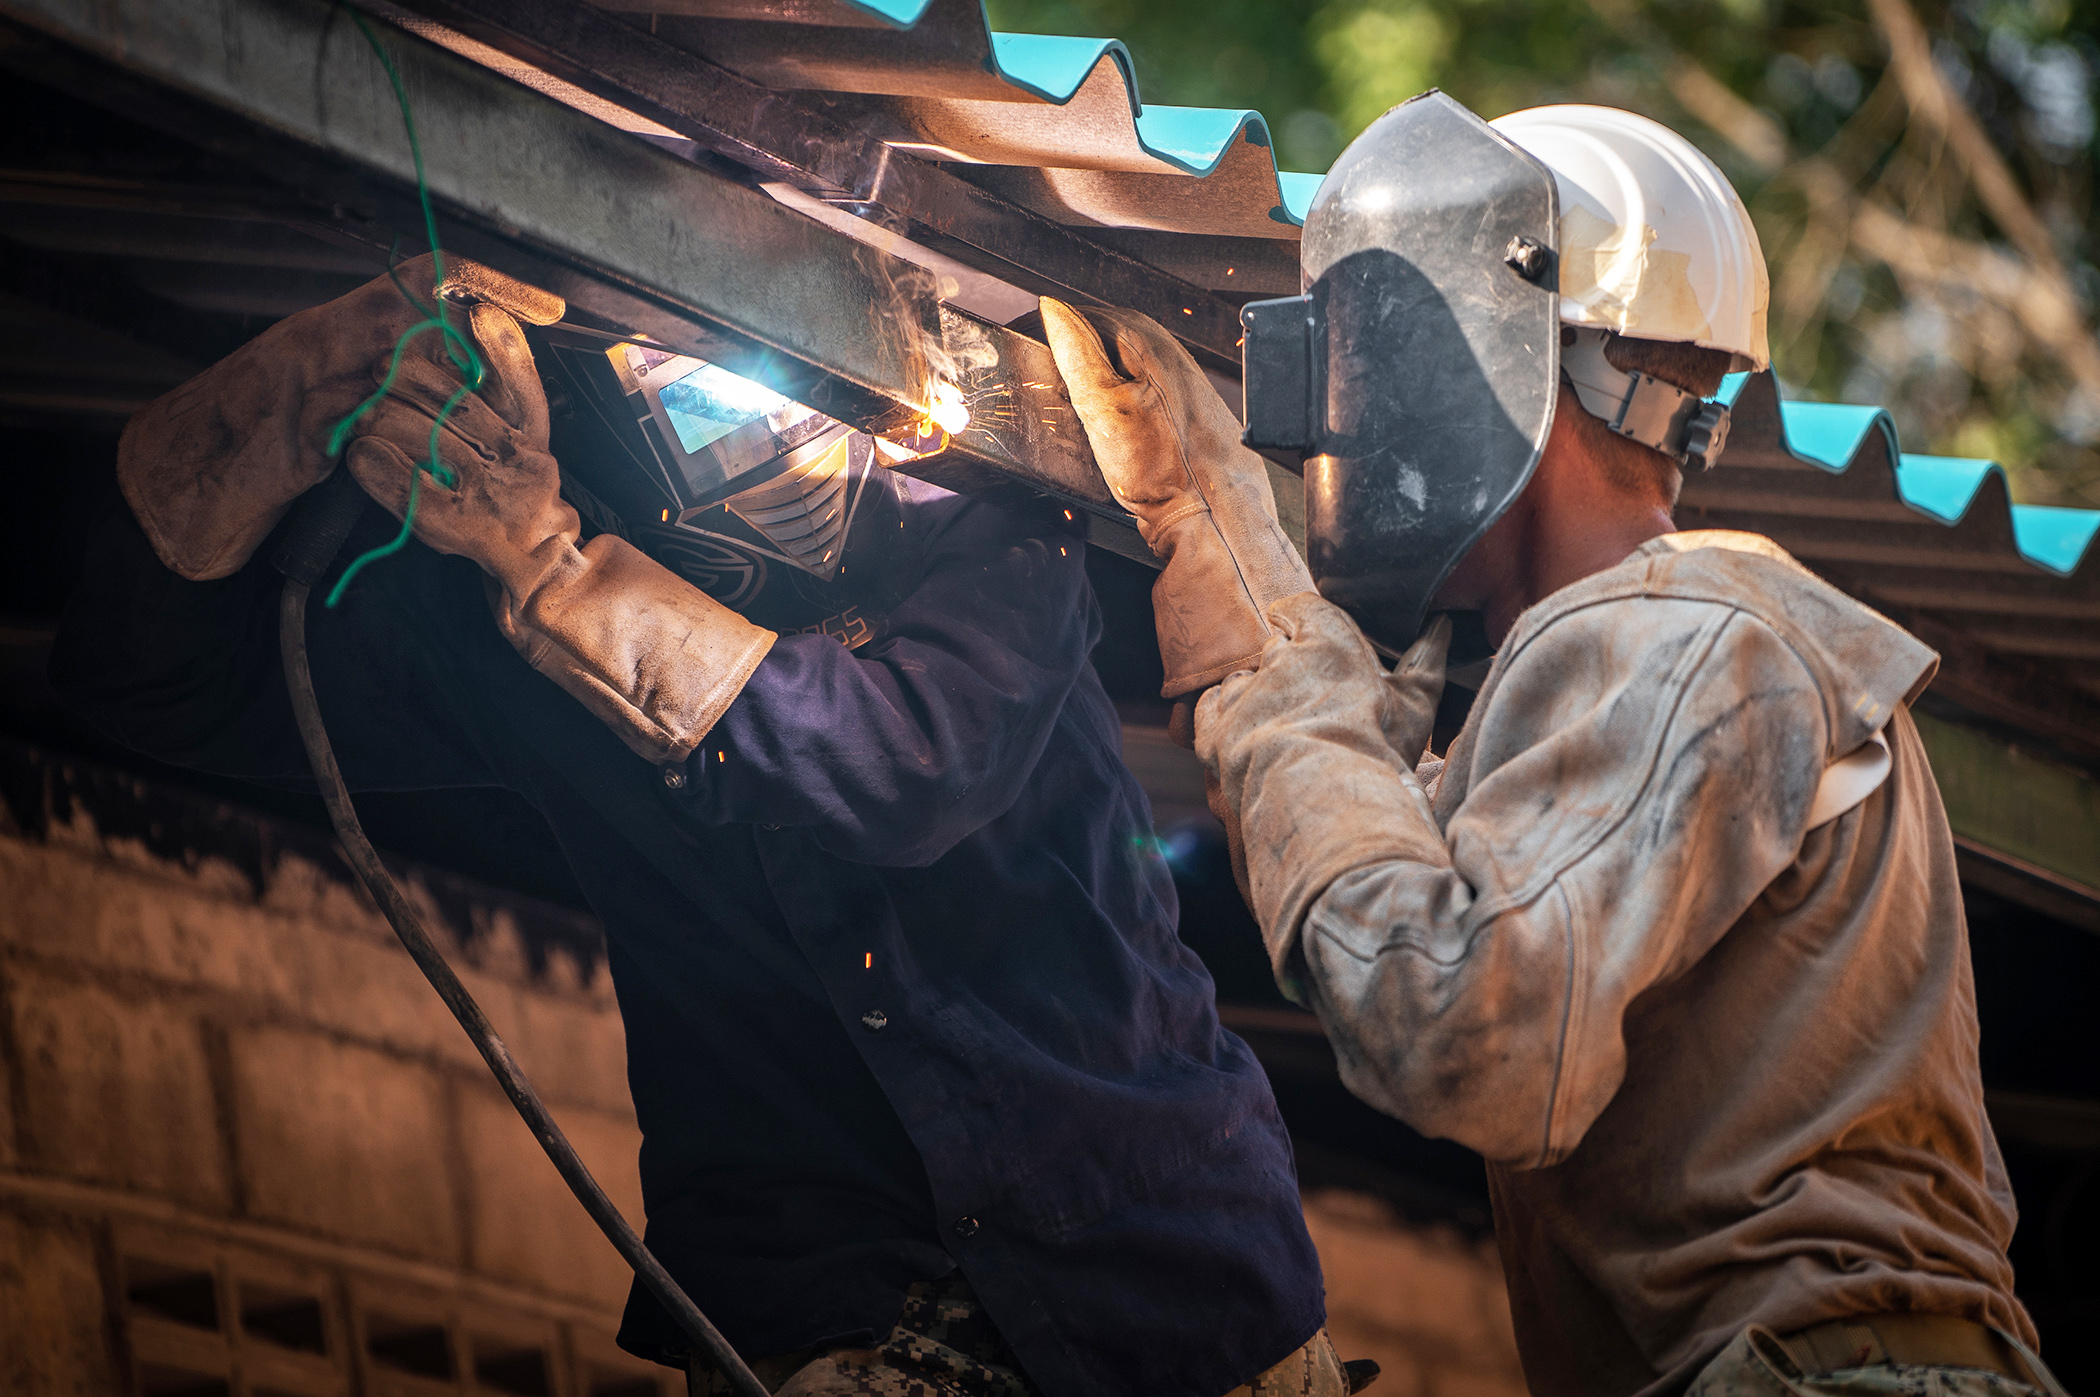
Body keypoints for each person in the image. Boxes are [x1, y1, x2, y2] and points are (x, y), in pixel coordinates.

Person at [50, 255, 1348, 1397]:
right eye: (704, 373)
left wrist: (558, 573)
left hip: (1172, 1280)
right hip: (836, 1310)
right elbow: (150, 680)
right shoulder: (510, 618)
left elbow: (900, 768)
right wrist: (310, 388)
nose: (763, 417)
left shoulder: (995, 515)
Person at [1042, 99, 2063, 1397]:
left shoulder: (1690, 631)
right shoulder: (1680, 656)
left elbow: (1456, 1022)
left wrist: (1266, 665)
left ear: (1478, 357)